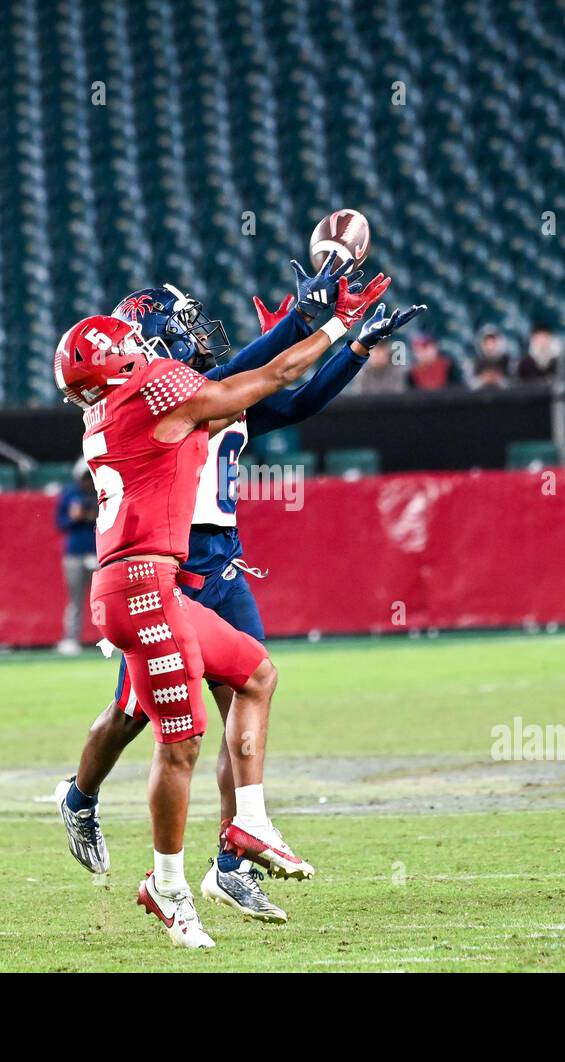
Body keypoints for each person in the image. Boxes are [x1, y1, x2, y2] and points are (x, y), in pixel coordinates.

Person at [54, 256, 424, 947]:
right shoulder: (160, 389)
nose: (195, 332)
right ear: (142, 347)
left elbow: (291, 396)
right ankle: (95, 811)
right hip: (160, 571)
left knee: (248, 681)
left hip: (206, 563)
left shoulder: (159, 390)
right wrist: (308, 321)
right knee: (156, 725)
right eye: (175, 326)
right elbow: (268, 370)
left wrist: (347, 344)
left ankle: (234, 848)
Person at [55, 459, 98, 655]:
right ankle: (71, 638)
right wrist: (75, 517)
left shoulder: (100, 493)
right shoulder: (70, 494)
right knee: (75, 599)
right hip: (75, 554)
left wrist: (93, 515)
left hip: (98, 554)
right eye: (84, 478)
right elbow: (61, 523)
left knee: (102, 600)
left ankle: (108, 638)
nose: (87, 482)